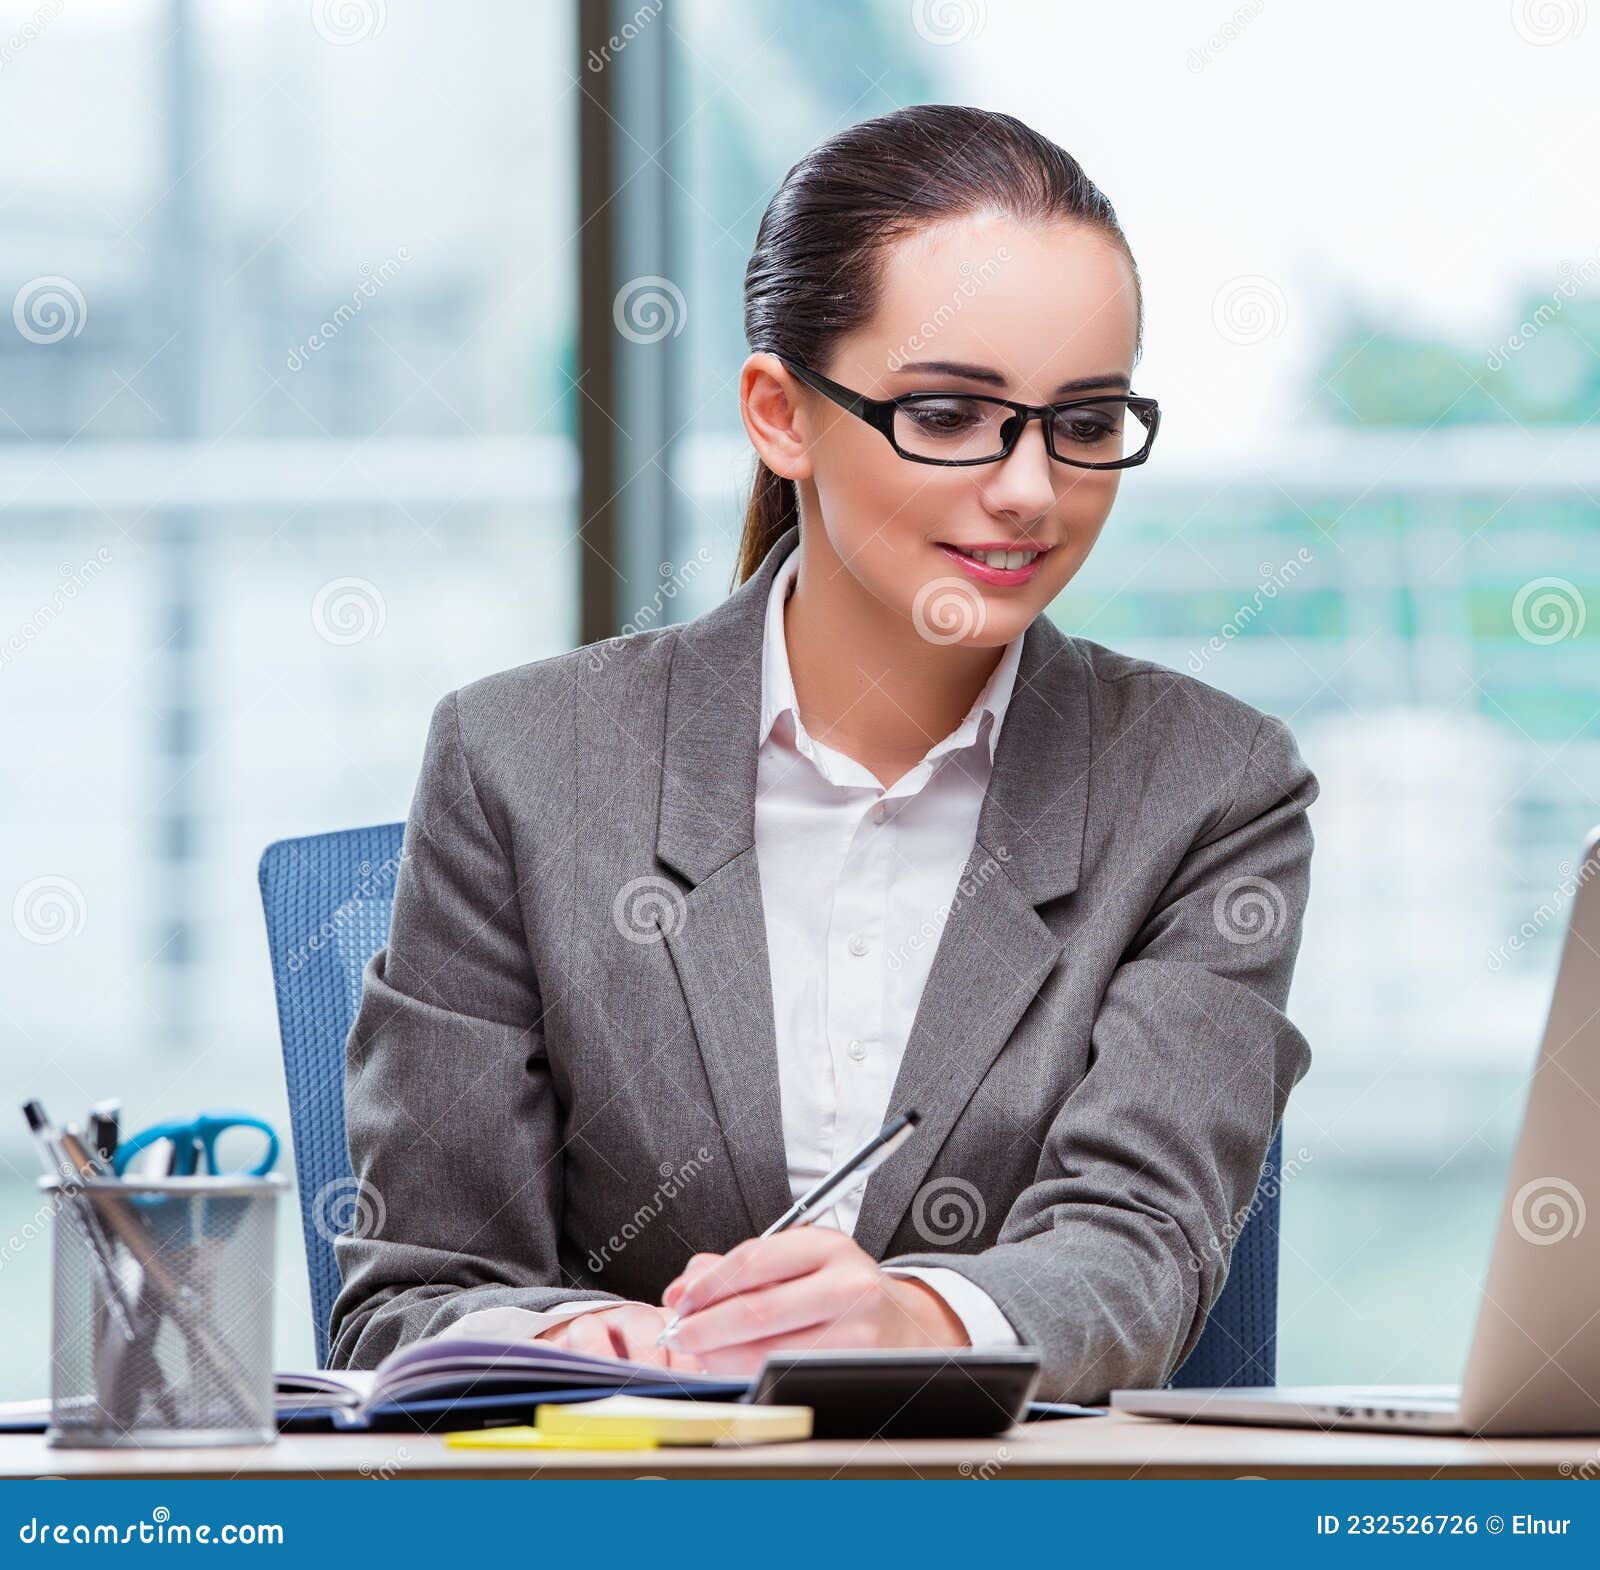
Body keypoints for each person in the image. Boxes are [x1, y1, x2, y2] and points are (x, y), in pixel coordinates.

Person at [329, 103, 1319, 1403]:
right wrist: (588, 1346)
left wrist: (913, 1318)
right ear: (781, 414)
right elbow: (414, 1291)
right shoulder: (519, 761)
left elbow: (1140, 1249)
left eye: (1083, 423)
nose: (1029, 488)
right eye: (955, 414)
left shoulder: (1211, 787)